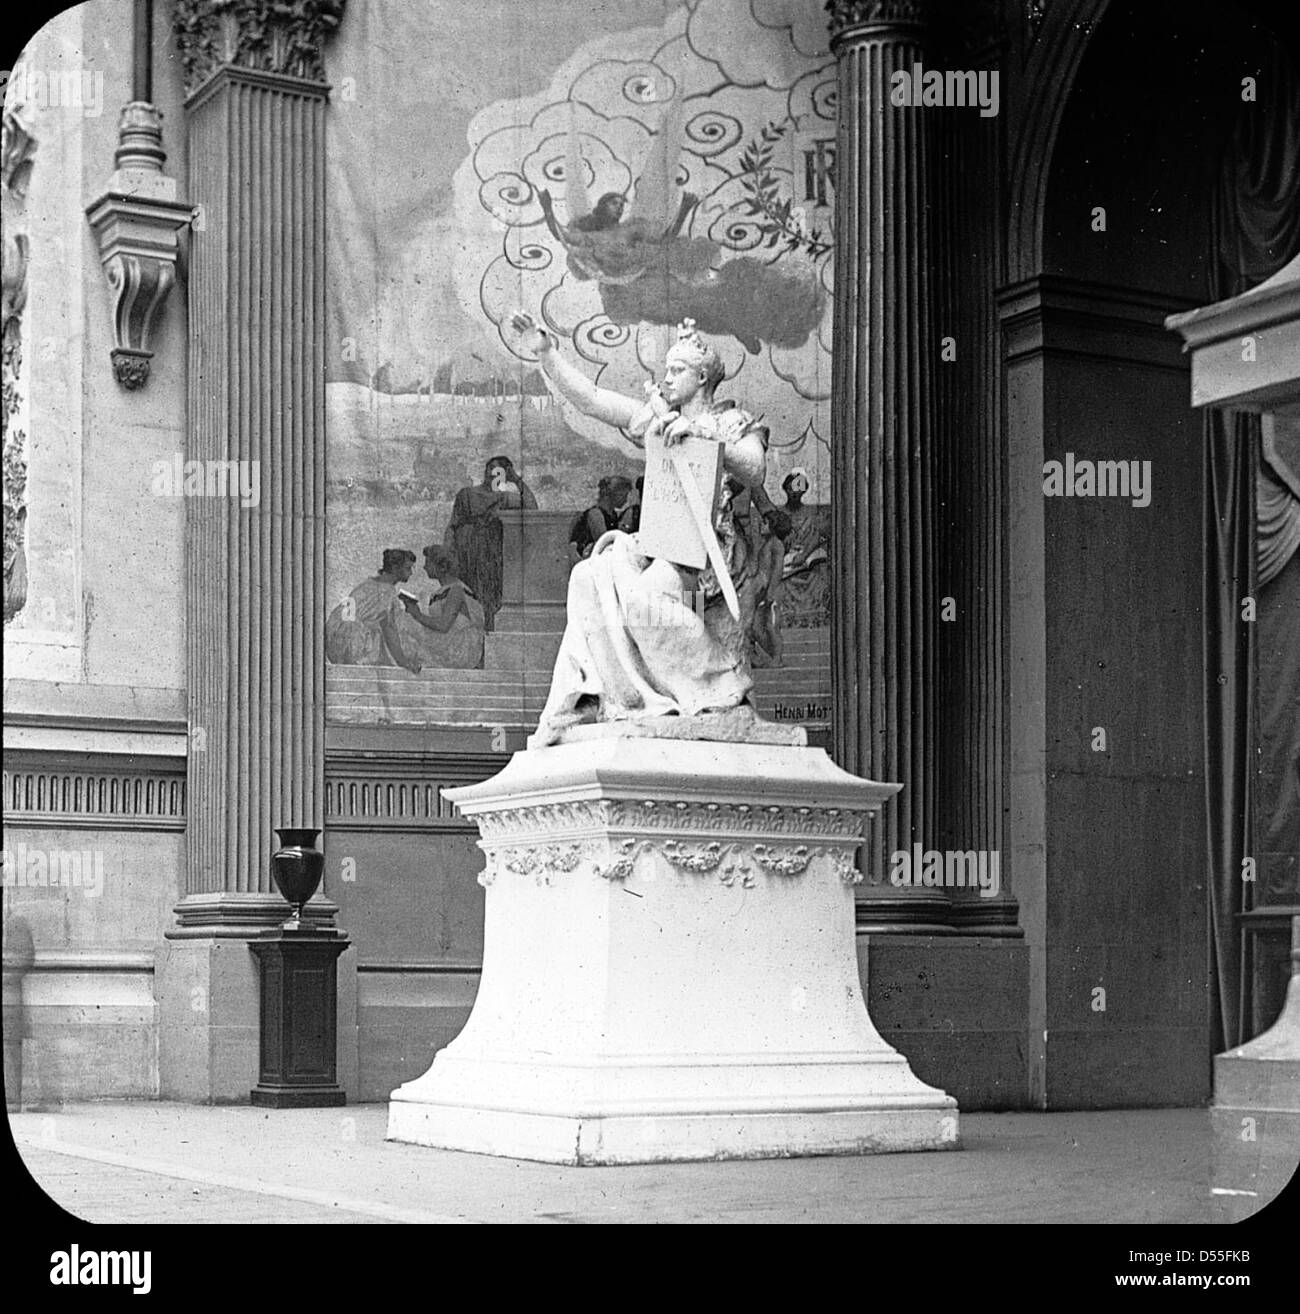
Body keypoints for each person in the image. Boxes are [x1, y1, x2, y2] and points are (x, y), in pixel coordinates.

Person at [509, 311, 770, 746]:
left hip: (704, 564)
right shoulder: (658, 417)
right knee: (589, 575)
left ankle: (717, 682)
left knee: (645, 600)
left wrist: (704, 438)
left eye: (677, 370)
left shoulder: (731, 422)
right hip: (662, 546)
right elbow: (593, 401)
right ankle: (598, 698)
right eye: (665, 369)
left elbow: (756, 469)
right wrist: (547, 355)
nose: (666, 378)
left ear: (703, 376)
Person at [443, 455, 537, 632]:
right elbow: (452, 526)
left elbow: (532, 507)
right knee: (466, 599)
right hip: (467, 555)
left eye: (499, 471)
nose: (493, 474)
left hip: (490, 557)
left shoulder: (505, 498)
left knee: (489, 600)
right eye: (490, 469)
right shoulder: (467, 494)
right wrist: (448, 552)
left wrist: (516, 480)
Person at [325, 549, 423, 673]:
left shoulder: (368, 584)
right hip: (352, 640)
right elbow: (390, 630)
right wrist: (403, 662)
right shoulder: (388, 591)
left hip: (335, 637)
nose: (411, 573)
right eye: (408, 568)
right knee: (384, 632)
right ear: (395, 568)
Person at [395, 545, 486, 670]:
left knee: (404, 626)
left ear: (442, 567)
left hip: (460, 649)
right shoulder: (443, 591)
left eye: (428, 563)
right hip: (447, 641)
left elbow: (443, 625)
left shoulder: (456, 589)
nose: (425, 567)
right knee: (402, 621)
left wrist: (417, 615)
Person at [779, 469, 831, 628]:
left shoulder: (812, 512)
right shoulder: (778, 513)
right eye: (791, 488)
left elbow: (820, 536)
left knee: (821, 568)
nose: (794, 493)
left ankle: (818, 613)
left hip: (809, 554)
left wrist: (805, 553)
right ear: (785, 489)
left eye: (798, 489)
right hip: (787, 555)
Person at [749, 508, 791, 668]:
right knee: (757, 626)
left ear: (774, 527)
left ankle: (777, 658)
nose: (761, 525)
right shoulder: (767, 544)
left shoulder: (776, 545)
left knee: (771, 626)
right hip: (763, 591)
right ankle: (772, 655)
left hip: (772, 590)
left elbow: (777, 569)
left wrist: (771, 590)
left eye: (765, 523)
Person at [571, 476, 633, 564]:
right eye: (623, 495)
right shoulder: (595, 514)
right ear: (611, 495)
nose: (625, 500)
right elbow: (603, 541)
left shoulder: (613, 514)